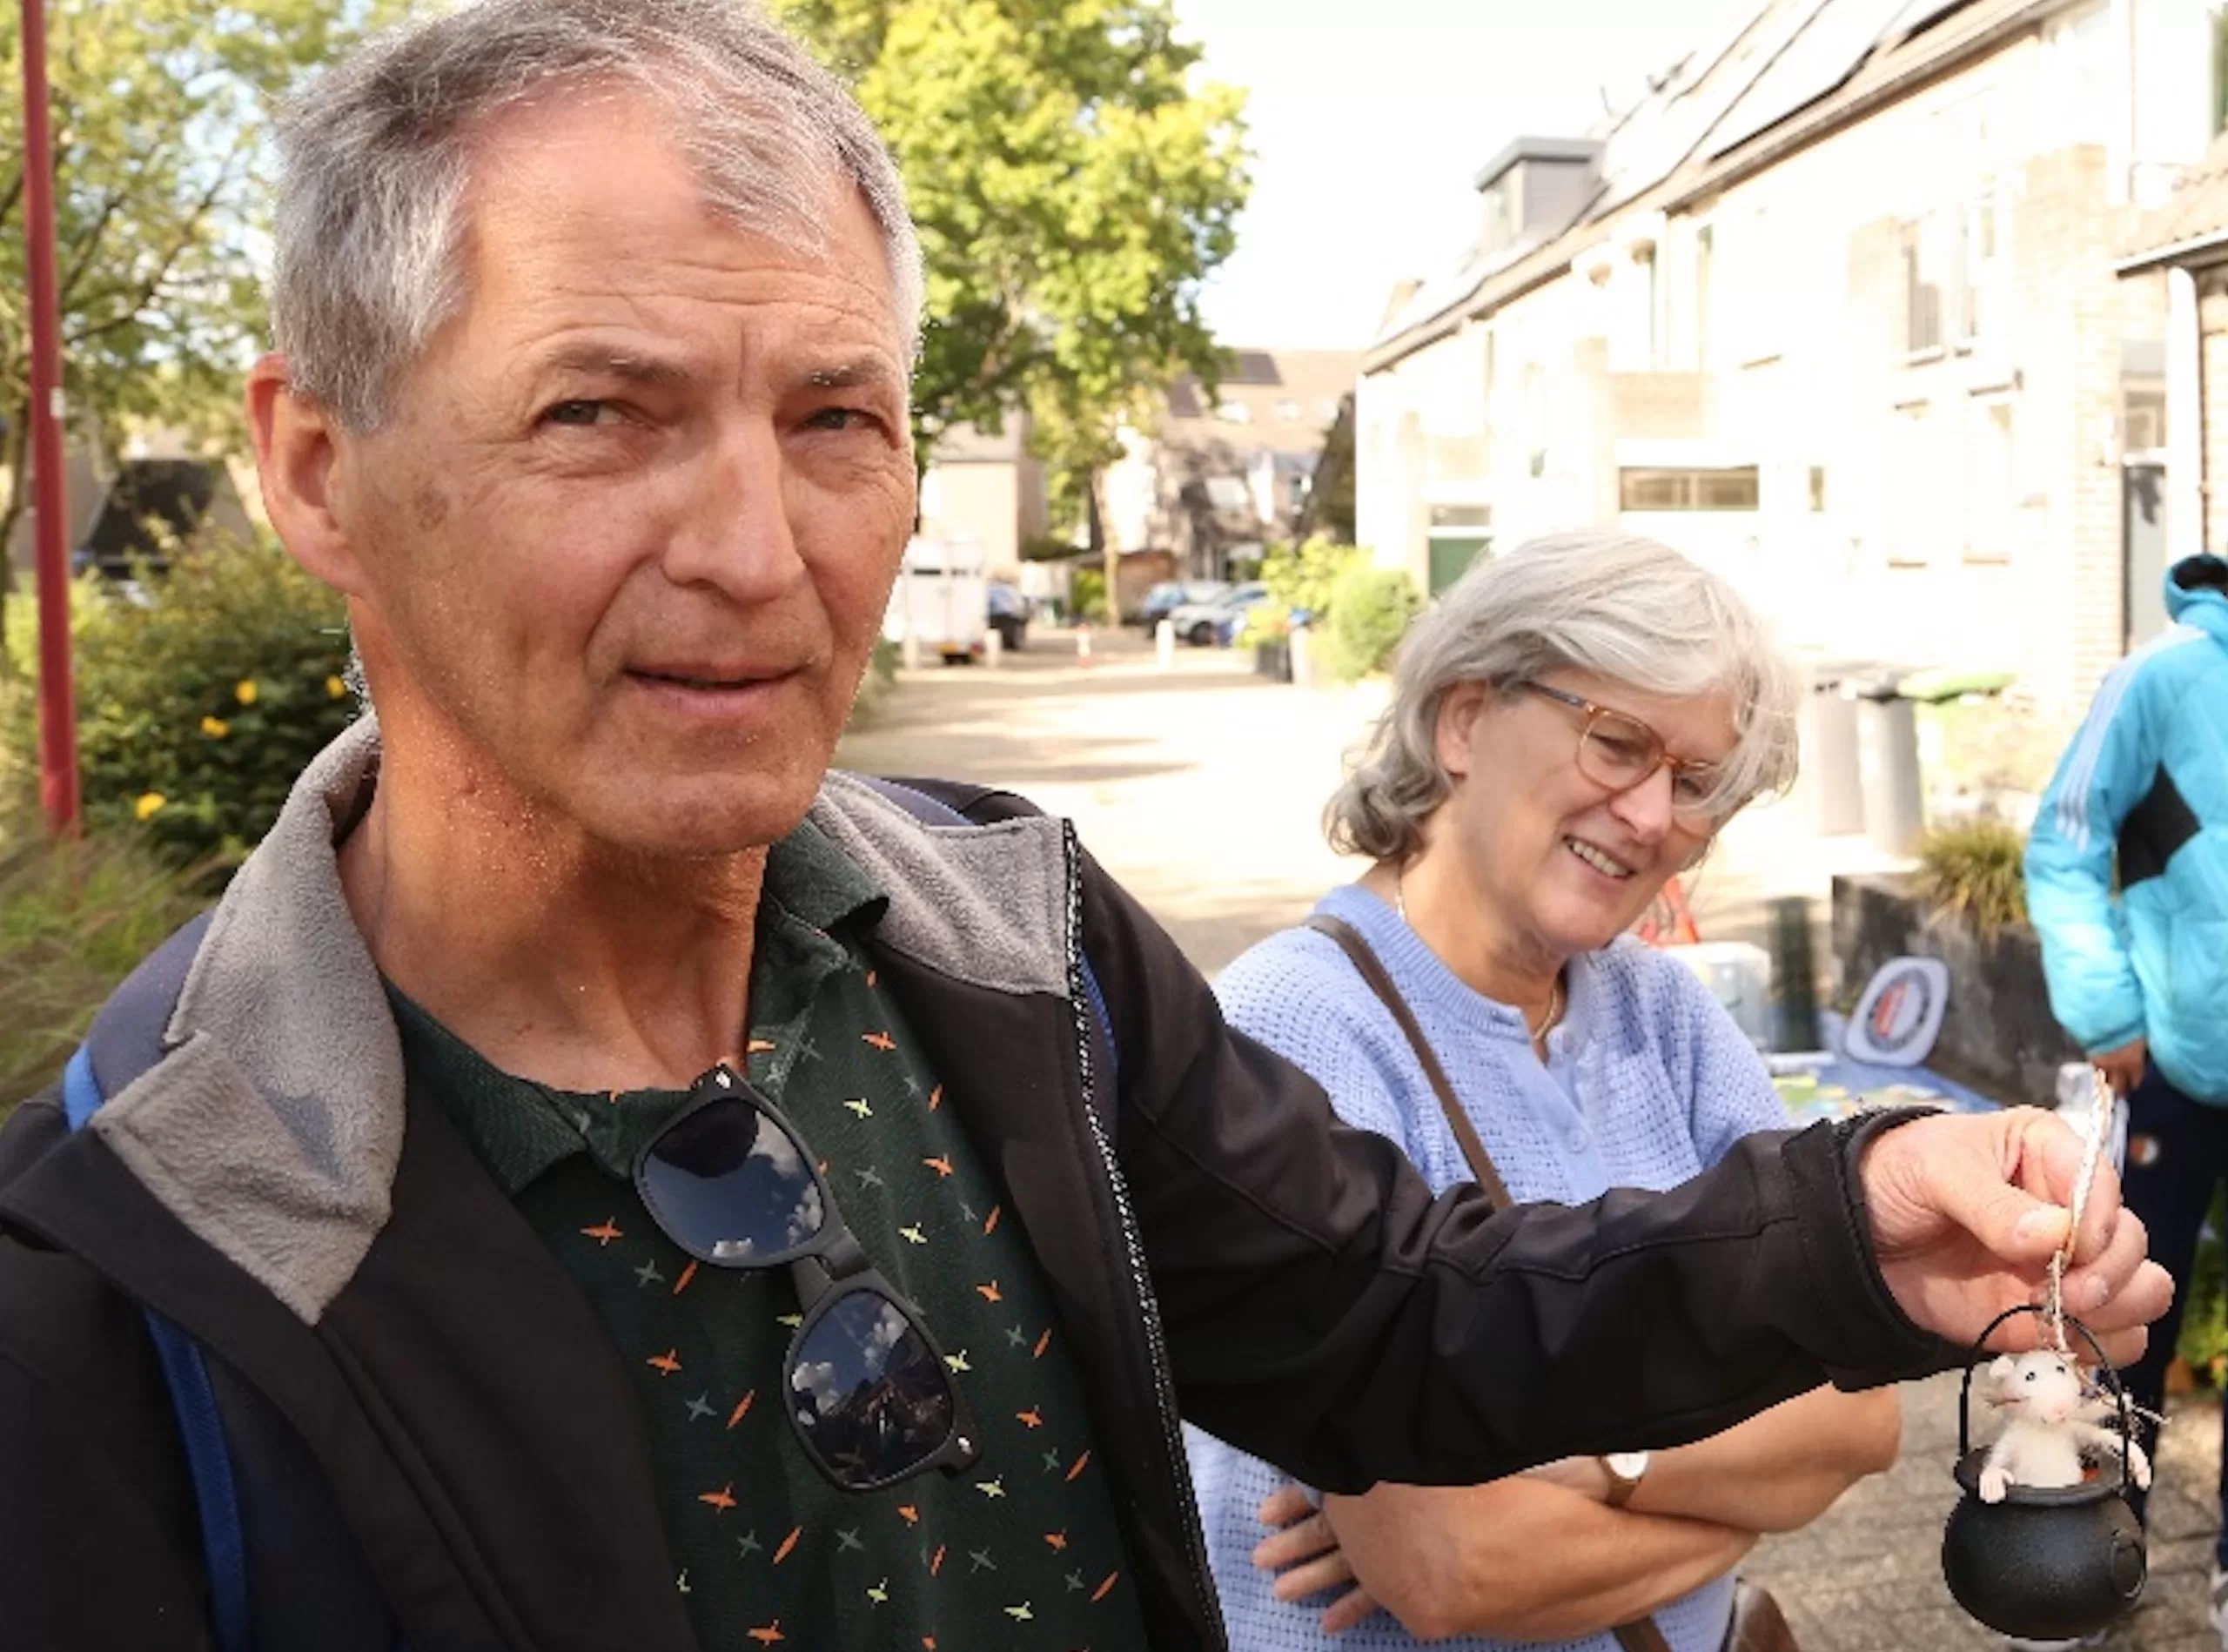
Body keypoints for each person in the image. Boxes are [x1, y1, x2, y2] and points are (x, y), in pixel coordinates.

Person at [0, 4, 2165, 1649]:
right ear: (312, 466)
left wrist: (1842, 1227)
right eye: (600, 412)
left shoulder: (1014, 944)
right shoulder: (130, 1263)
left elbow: (1394, 1320)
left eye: (833, 416)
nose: (759, 549)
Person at [1186, 534, 1899, 1652]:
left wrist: (1604, 1465)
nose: (1655, 814)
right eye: (1618, 742)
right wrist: (1741, 1495)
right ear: (1463, 718)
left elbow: (1862, 1413)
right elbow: (1449, 1564)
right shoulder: (1293, 1034)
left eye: (1699, 780)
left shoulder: (1662, 1016)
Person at [2028, 550, 2228, 1649]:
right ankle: (2099, 1555)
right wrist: (2107, 1012)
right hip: (2180, 1065)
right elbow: (2063, 842)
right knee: (2128, 1314)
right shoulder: (2161, 677)